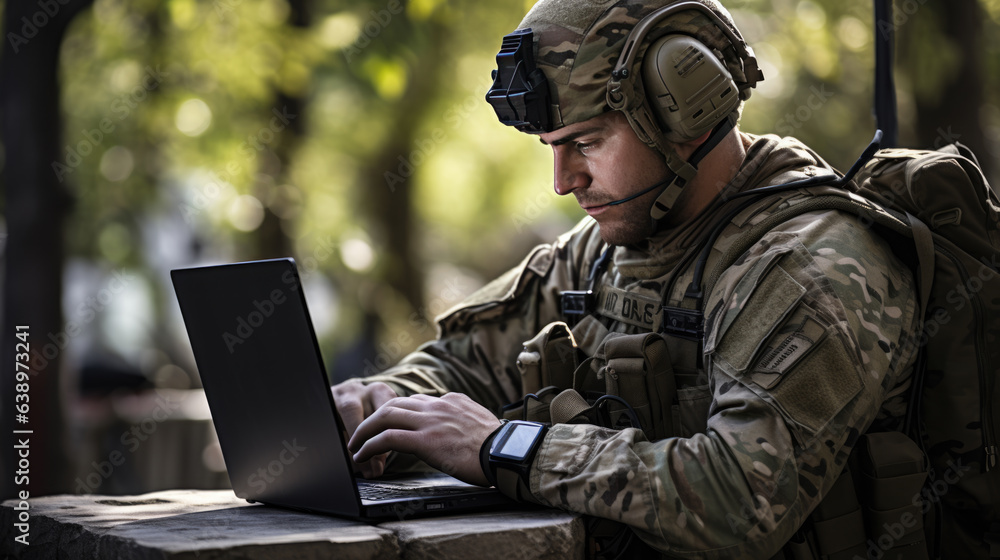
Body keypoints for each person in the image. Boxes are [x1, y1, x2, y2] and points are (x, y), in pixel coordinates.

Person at [333, 0, 921, 556]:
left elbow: (741, 502)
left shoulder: (812, 266)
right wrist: (387, 401)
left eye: (586, 143)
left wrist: (502, 448)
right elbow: (464, 361)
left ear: (684, 110)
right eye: (552, 148)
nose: (563, 181)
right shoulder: (601, 252)